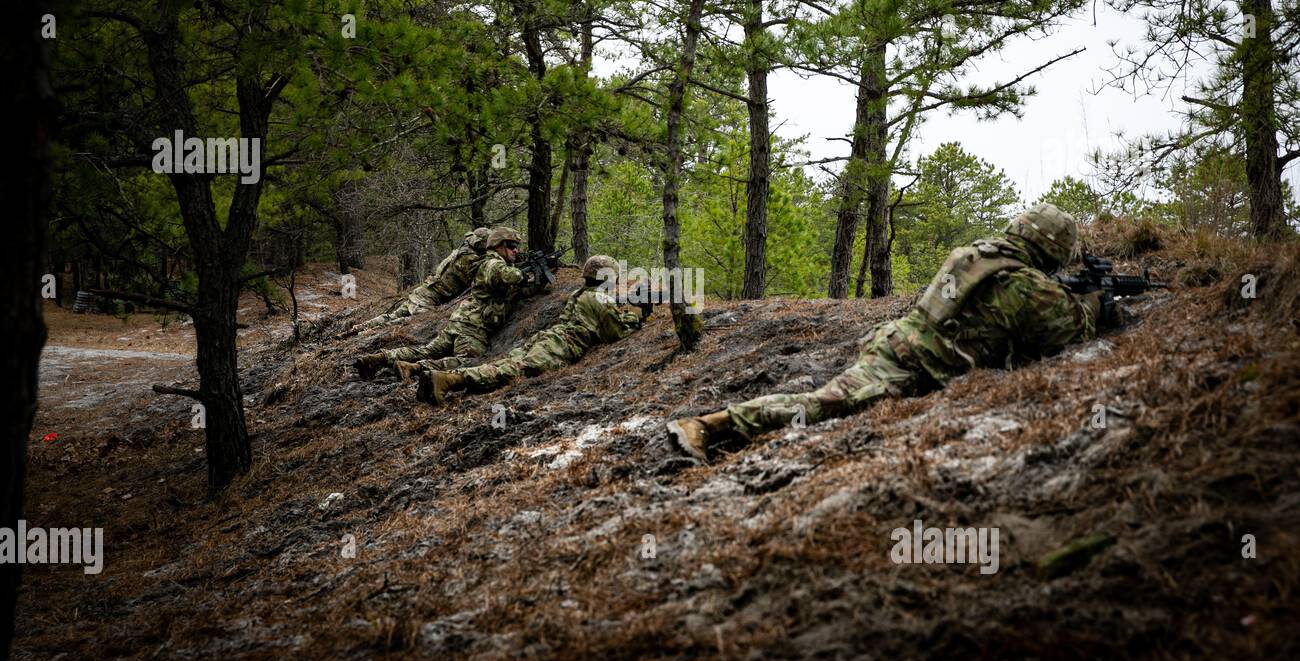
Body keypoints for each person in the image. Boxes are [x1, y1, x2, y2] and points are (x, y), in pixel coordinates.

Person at [666, 203, 1110, 463]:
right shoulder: (1026, 284)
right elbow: (1069, 333)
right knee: (823, 406)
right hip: (908, 365)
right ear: (1053, 249)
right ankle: (709, 425)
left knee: (826, 402)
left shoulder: (979, 254)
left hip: (896, 342)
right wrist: (1095, 303)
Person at [417, 255, 651, 405]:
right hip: (559, 346)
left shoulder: (582, 294)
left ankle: (439, 379)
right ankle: (448, 380)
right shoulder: (600, 299)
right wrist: (639, 316)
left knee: (504, 363)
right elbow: (616, 332)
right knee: (512, 370)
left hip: (549, 338)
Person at [353, 226, 541, 380]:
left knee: (428, 350)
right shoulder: (493, 264)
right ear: (498, 245)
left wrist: (537, 280)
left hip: (460, 321)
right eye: (511, 245)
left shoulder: (486, 262)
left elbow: (516, 290)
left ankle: (380, 358)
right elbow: (510, 275)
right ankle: (414, 368)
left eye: (516, 246)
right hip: (472, 328)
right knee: (468, 363)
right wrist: (524, 273)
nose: (515, 250)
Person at [353, 227, 490, 332]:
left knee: (393, 316)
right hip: (428, 298)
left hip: (423, 292)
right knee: (408, 321)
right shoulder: (467, 259)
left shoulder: (461, 251)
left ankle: (359, 328)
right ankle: (366, 330)